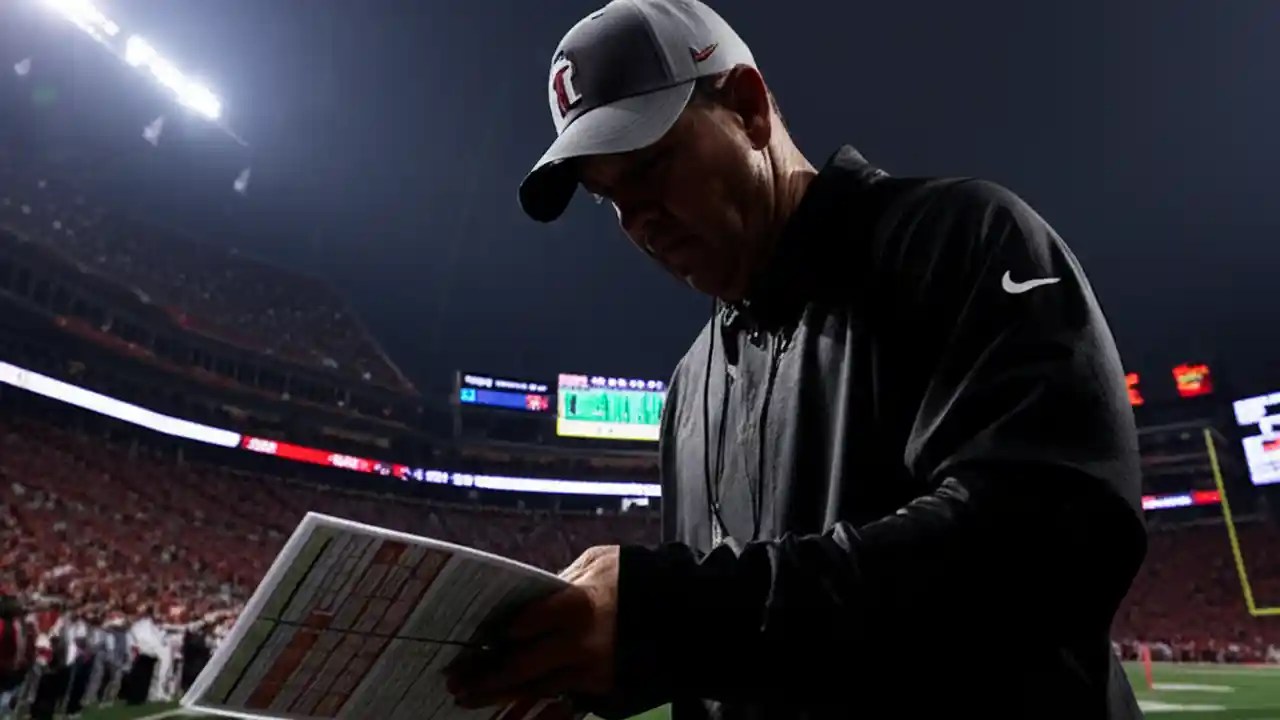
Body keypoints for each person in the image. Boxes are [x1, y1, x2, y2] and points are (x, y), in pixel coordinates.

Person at [446, 0, 1147, 717]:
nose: (637, 220)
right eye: (608, 197)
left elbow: (1052, 541)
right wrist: (610, 668)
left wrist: (675, 616)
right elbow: (747, 648)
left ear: (748, 108)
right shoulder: (688, 390)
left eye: (650, 166)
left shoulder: (960, 241)